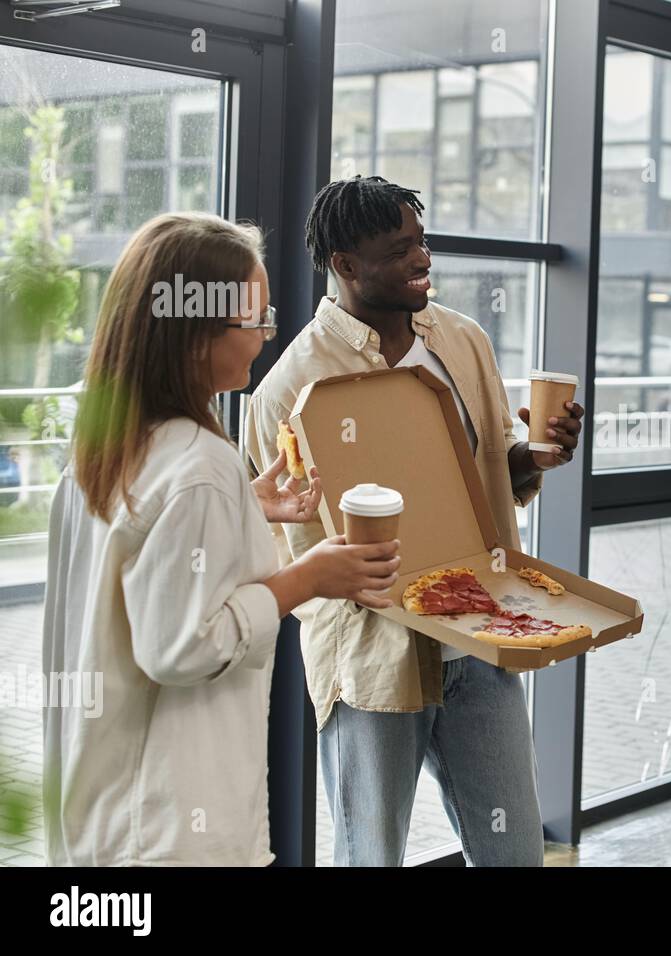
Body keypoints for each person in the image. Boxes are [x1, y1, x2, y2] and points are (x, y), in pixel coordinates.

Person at [245, 176, 584, 866]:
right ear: (345, 264)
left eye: (422, 241)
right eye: (400, 249)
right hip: (374, 662)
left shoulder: (463, 341)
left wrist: (536, 456)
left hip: (480, 643)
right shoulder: (289, 387)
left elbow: (494, 476)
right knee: (371, 855)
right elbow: (292, 550)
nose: (422, 258)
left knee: (514, 852)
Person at [43, 212, 400, 866]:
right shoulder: (202, 465)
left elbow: (148, 568)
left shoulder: (103, 446)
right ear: (196, 332)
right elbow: (181, 647)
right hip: (174, 831)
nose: (267, 337)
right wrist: (308, 577)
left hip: (100, 815)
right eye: (255, 320)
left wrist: (246, 509)